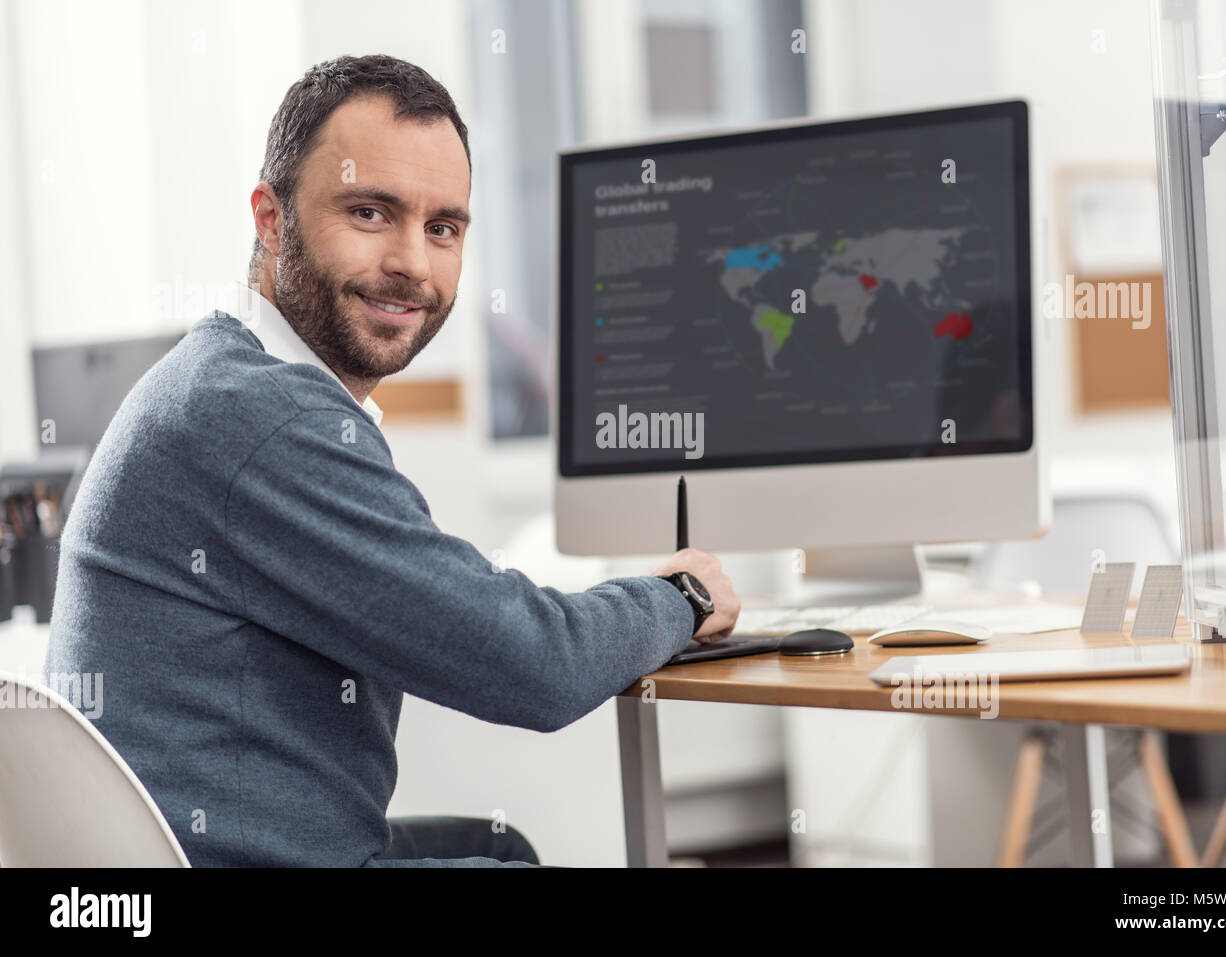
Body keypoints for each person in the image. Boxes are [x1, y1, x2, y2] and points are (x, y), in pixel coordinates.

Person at [44, 53, 739, 868]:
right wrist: (680, 594)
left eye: (443, 226)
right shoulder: (265, 417)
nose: (414, 261)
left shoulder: (222, 377)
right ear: (272, 219)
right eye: (371, 212)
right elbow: (533, 667)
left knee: (500, 846)